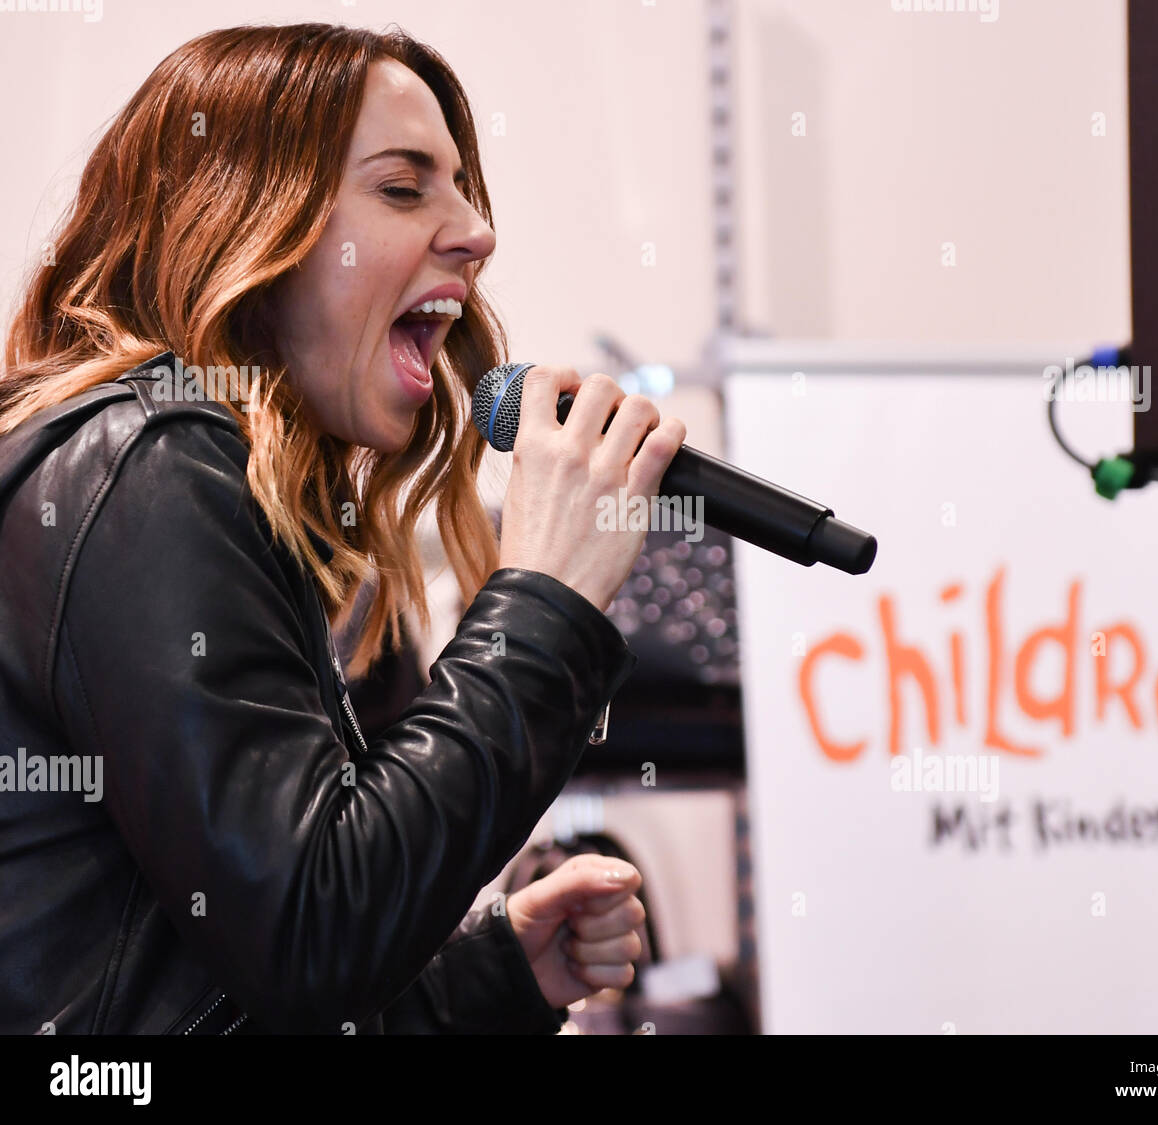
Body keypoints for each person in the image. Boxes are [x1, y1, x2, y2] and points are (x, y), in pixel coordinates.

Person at [0, 23, 684, 1034]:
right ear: (238, 224)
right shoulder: (149, 461)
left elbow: (239, 972)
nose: (474, 231)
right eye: (403, 188)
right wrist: (542, 605)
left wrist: (494, 980)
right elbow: (310, 935)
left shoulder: (167, 468)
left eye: (461, 187)